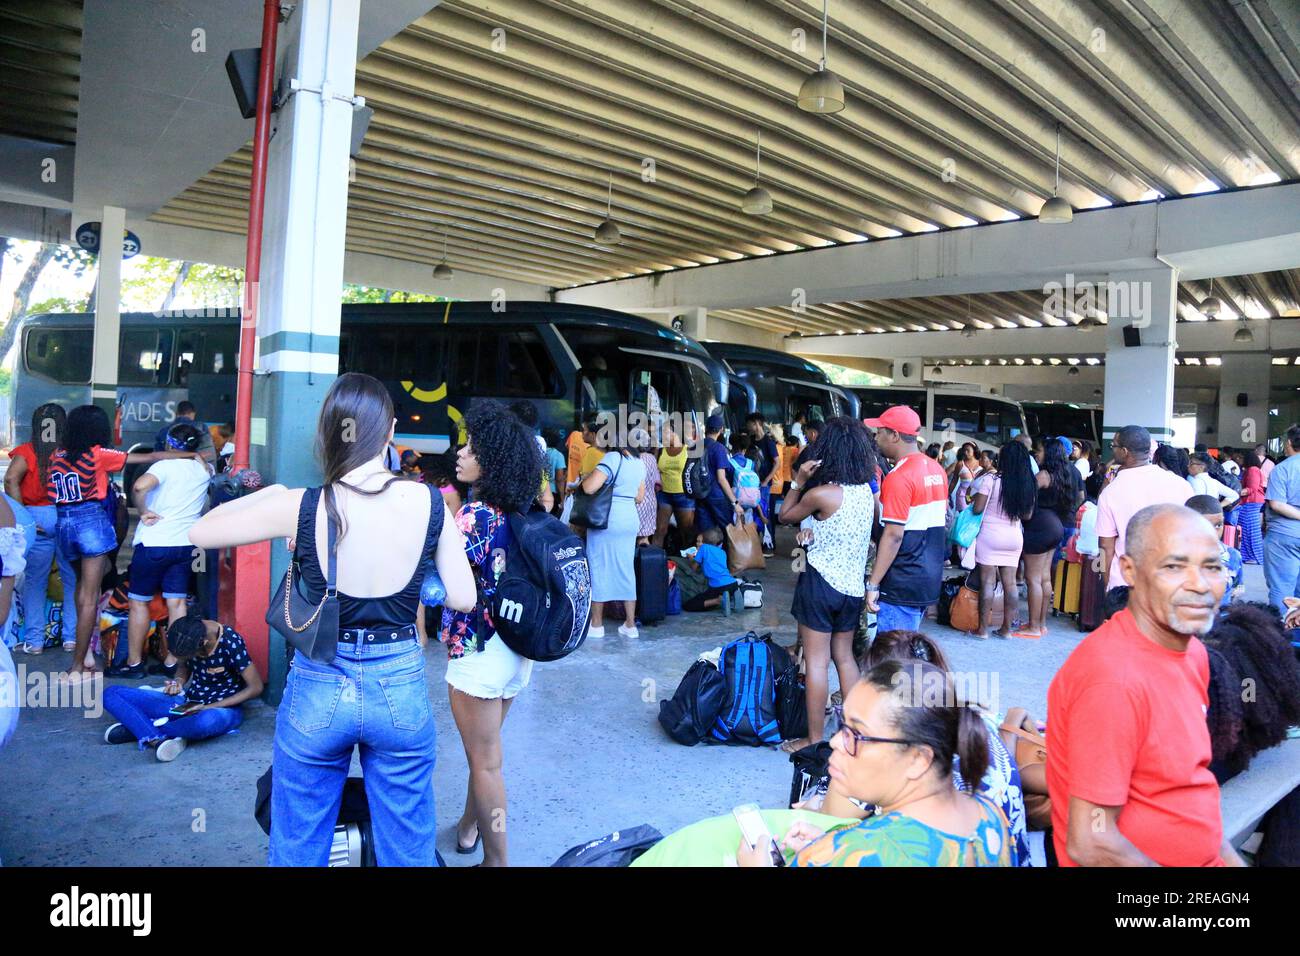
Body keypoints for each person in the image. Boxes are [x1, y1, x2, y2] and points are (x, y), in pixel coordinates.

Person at [189, 372, 477, 867]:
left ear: (328, 432)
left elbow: (201, 531)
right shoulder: (429, 501)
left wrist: (274, 492)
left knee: (299, 841)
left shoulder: (301, 504)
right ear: (388, 431)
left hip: (320, 683)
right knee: (407, 846)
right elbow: (464, 598)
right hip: (399, 686)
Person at [1046, 503, 1243, 866]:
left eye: (1212, 566)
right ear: (1130, 571)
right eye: (1174, 566)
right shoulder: (1113, 680)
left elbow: (1187, 787)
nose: (1199, 584)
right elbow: (1091, 841)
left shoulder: (1193, 653)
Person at [738, 660, 1012, 867]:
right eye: (841, 726)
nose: (834, 743)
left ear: (917, 760)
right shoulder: (990, 815)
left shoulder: (846, 855)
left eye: (855, 734)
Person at [435, 399, 547, 865]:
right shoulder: (525, 514)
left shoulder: (475, 518)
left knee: (485, 762)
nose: (460, 453)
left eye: (471, 447)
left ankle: (496, 860)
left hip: (477, 651)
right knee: (484, 753)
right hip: (516, 650)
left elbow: (441, 581)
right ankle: (467, 829)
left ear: (492, 460)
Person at [49, 405, 200, 681]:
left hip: (63, 524)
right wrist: (189, 453)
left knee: (81, 589)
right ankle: (77, 668)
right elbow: (150, 456)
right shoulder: (97, 455)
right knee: (89, 599)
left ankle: (85, 657)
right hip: (90, 522)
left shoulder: (57, 455)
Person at [777, 417, 876, 753]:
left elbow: (785, 515)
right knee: (844, 658)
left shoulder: (821, 494)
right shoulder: (866, 495)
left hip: (819, 585)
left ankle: (813, 739)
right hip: (851, 589)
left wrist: (797, 480)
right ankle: (855, 735)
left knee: (817, 663)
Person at [106, 421, 213, 678]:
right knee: (176, 602)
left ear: (169, 444)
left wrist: (143, 511)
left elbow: (140, 486)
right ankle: (173, 663)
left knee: (138, 603)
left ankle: (134, 665)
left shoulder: (163, 466)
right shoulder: (204, 469)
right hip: (185, 545)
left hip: (154, 544)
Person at [101, 613, 263, 762]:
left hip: (222, 709)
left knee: (204, 723)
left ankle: (140, 727)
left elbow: (255, 687)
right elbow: (183, 668)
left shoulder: (230, 642)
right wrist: (178, 682)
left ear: (204, 644)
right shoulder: (186, 632)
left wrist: (207, 707)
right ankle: (158, 737)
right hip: (186, 704)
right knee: (111, 694)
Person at [864, 406, 947, 633]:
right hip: (926, 577)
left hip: (901, 580)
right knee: (906, 652)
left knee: (893, 658)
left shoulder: (898, 477)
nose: (876, 436)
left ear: (895, 435)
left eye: (879, 431)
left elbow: (893, 536)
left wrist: (873, 583)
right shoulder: (936, 469)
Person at [5, 403, 78, 654]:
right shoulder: (69, 451)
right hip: (66, 515)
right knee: (71, 580)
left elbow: (11, 478)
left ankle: (35, 641)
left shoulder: (26, 451)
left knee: (36, 581)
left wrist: (21, 514)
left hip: (35, 516)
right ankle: (71, 639)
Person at [1095, 425, 1199, 591]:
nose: (1112, 450)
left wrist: (1105, 582)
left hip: (1125, 583)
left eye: (1113, 446)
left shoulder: (1110, 493)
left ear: (1124, 451)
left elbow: (1105, 547)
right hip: (1170, 583)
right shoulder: (1181, 485)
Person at [581, 429, 647, 639]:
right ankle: (630, 625)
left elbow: (589, 488)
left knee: (599, 565)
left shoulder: (612, 458)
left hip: (608, 518)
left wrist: (586, 479)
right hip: (629, 518)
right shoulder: (639, 462)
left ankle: (597, 624)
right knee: (625, 567)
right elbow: (639, 497)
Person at [969, 439, 1036, 639]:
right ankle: (1006, 629)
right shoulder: (1028, 483)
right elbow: (1027, 516)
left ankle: (982, 630)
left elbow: (977, 508)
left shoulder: (991, 480)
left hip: (990, 536)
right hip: (1014, 536)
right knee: (1010, 584)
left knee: (987, 583)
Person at [1019, 437, 1081, 638]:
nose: (1037, 454)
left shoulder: (1044, 475)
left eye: (1040, 451)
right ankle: (1041, 624)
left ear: (1049, 454)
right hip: (1056, 526)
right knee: (1045, 578)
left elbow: (1025, 498)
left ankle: (1033, 627)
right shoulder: (1066, 475)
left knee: (1033, 578)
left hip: (1039, 526)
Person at [1185, 495, 1245, 608]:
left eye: (1218, 525)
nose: (1213, 532)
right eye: (1204, 526)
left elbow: (1235, 591)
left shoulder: (1232, 556)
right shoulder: (1174, 557)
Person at [1265, 425, 1300, 614]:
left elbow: (1277, 504)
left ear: (1288, 443)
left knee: (1281, 588)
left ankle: (1280, 635)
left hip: (1284, 536)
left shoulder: (1283, 469)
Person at [693, 414, 742, 536]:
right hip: (716, 495)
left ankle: (708, 554)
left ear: (706, 429)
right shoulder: (719, 448)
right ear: (721, 430)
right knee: (728, 531)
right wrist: (735, 503)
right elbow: (721, 478)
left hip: (699, 495)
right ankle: (726, 555)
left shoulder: (694, 446)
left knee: (705, 533)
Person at [653, 423, 694, 549]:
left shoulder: (689, 450)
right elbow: (654, 470)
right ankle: (653, 560)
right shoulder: (660, 450)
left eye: (667, 432)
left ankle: (688, 564)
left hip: (684, 496)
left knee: (686, 533)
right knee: (660, 530)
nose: (663, 436)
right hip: (664, 495)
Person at [681, 527, 736, 611]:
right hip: (732, 583)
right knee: (721, 591)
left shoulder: (704, 548)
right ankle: (732, 596)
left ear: (704, 541)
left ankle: (718, 600)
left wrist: (691, 558)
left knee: (689, 606)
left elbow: (693, 568)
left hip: (718, 587)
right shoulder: (722, 552)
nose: (698, 544)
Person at [152, 401, 216, 462]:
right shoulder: (201, 427)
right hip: (195, 467)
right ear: (193, 413)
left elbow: (157, 456)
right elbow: (208, 452)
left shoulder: (162, 431)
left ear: (176, 413)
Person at [630, 428, 660, 544]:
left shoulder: (632, 459)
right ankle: (645, 561)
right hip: (650, 503)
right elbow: (658, 484)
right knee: (644, 538)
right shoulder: (652, 458)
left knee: (631, 539)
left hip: (635, 502)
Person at [1237, 450, 1266, 564]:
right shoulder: (1253, 469)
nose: (1240, 460)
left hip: (1251, 502)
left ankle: (1252, 556)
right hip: (1253, 502)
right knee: (1249, 529)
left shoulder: (1252, 470)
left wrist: (1237, 492)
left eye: (1242, 458)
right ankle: (1250, 556)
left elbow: (1251, 488)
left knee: (1249, 530)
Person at [542, 427, 567, 508]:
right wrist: (563, 499)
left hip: (538, 491)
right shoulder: (558, 456)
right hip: (552, 494)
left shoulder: (538, 452)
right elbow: (559, 480)